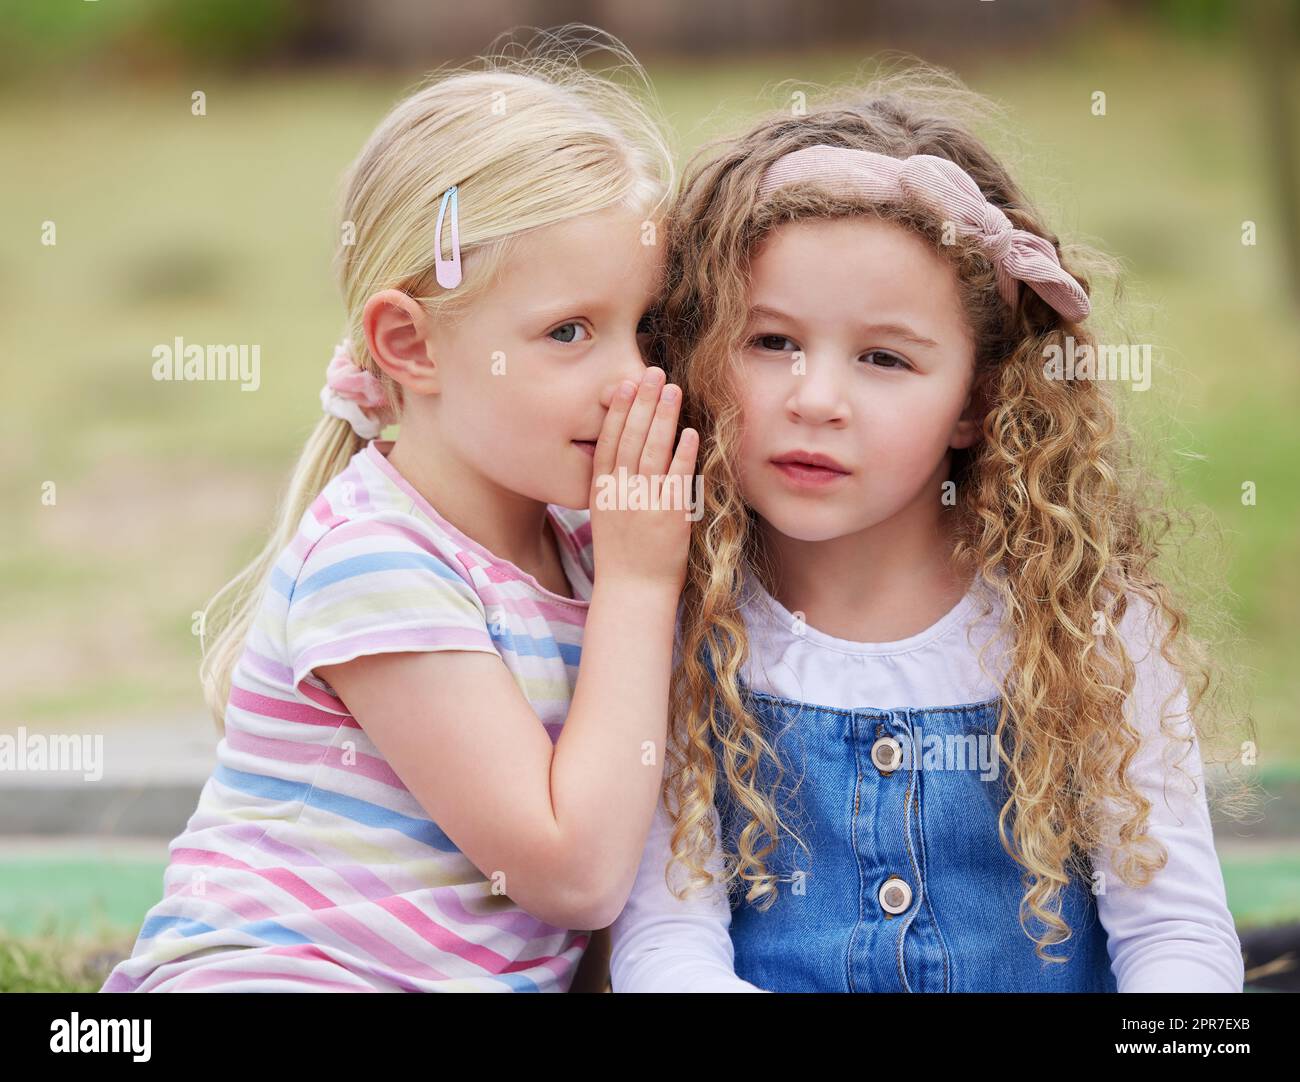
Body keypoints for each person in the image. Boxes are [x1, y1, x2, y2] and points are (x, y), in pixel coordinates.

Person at [609, 64, 1254, 993]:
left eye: (884, 357)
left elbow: (1180, 943)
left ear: (977, 398)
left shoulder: (1084, 629)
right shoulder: (679, 628)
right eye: (772, 341)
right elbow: (665, 944)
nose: (816, 400)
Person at [102, 30, 697, 993]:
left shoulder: (587, 547)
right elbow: (576, 874)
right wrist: (639, 583)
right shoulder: (376, 558)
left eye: (647, 328)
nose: (632, 377)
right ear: (409, 346)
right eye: (569, 332)